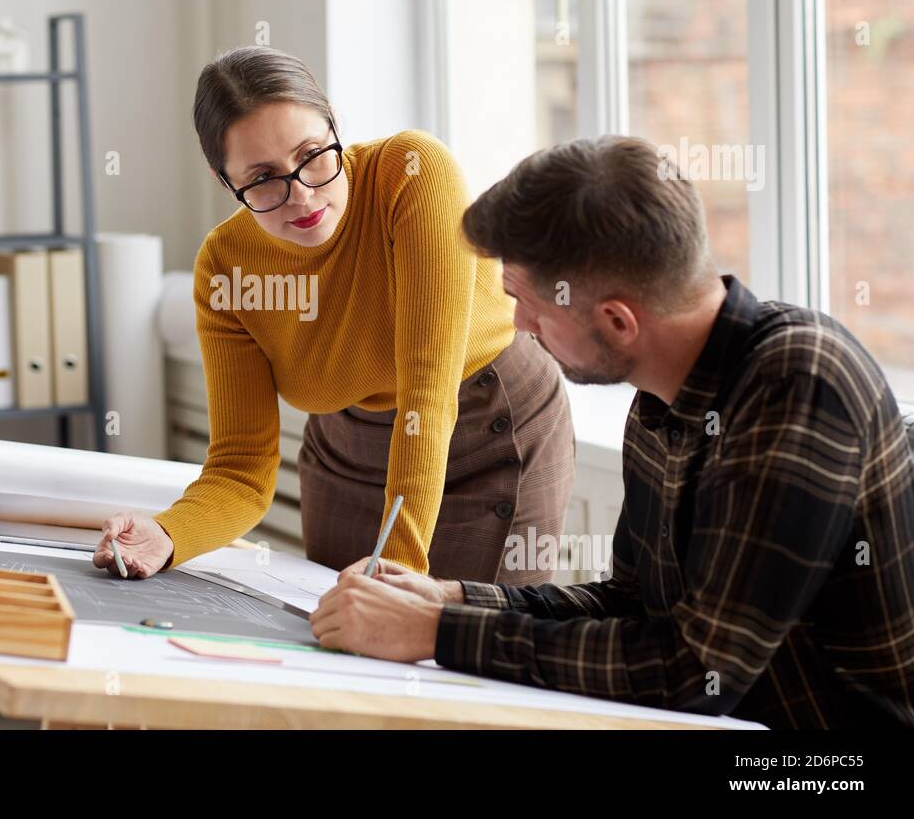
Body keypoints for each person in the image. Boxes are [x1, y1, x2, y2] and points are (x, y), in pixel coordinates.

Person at [310, 135, 914, 728]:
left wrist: (437, 634)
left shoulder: (800, 385)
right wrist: (450, 600)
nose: (519, 325)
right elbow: (632, 606)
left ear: (618, 321)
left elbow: (694, 673)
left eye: (530, 304)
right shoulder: (661, 392)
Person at [93, 46, 574, 584]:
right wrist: (168, 534)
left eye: (313, 154)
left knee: (470, 649)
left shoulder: (412, 174)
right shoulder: (227, 268)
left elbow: (427, 395)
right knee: (332, 634)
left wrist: (398, 576)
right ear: (223, 180)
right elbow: (241, 470)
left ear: (334, 125)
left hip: (483, 422)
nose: (301, 194)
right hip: (347, 448)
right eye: (262, 178)